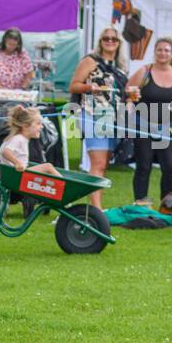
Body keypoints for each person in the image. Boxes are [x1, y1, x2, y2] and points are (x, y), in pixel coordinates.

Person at [126, 35, 172, 206]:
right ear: (154, 52)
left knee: (170, 167)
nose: (163, 53)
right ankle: (140, 204)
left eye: (167, 50)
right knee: (144, 166)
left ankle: (167, 204)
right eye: (159, 50)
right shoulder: (145, 71)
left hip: (166, 127)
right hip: (143, 127)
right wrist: (130, 99)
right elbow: (128, 89)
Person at [68, 26, 127, 210]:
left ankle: (95, 206)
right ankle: (96, 209)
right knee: (98, 163)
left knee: (103, 165)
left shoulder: (120, 66)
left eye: (114, 39)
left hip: (113, 118)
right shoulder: (90, 61)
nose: (110, 41)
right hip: (93, 114)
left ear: (119, 44)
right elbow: (74, 86)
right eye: (106, 38)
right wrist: (90, 88)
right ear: (100, 42)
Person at [0, 105, 61, 176]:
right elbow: (5, 152)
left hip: (17, 173)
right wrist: (17, 163)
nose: (42, 126)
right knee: (48, 167)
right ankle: (65, 185)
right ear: (26, 126)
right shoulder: (18, 139)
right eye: (38, 123)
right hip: (16, 175)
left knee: (46, 169)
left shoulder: (21, 139)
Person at [0, 28, 34, 96]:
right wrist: (2, 90)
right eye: (9, 44)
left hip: (16, 95)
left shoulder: (22, 53)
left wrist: (22, 88)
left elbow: (29, 73)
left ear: (18, 44)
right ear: (4, 41)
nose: (11, 47)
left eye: (14, 45)